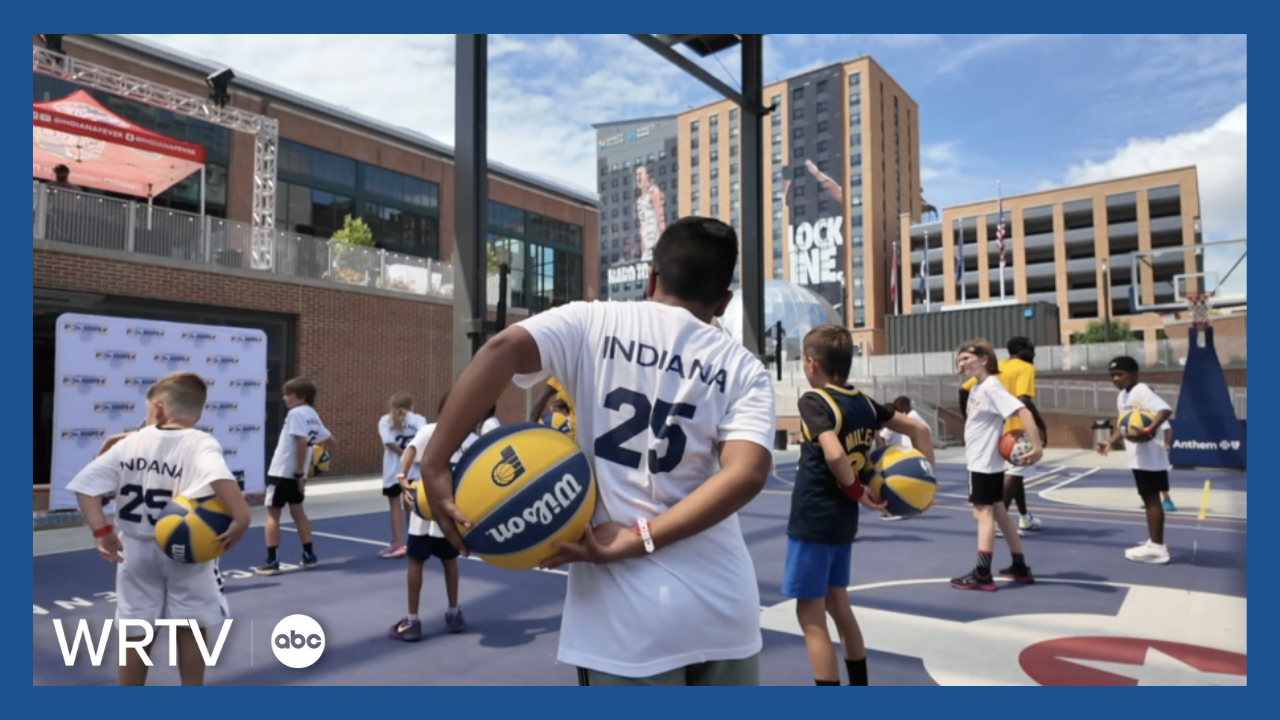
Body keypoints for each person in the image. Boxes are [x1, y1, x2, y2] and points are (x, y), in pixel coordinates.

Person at [422, 217, 777, 686]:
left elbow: (502, 349)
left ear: (652, 278)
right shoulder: (743, 367)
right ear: (723, 303)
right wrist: (645, 536)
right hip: (723, 605)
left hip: (624, 621)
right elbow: (747, 474)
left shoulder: (593, 320)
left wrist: (434, 460)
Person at [67, 372, 251, 686]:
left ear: (159, 407)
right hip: (187, 548)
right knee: (192, 625)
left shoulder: (131, 442)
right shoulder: (200, 442)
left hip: (135, 549)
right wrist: (241, 515)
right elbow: (220, 476)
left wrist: (102, 532)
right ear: (199, 411)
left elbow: (86, 487)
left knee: (136, 627)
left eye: (148, 409)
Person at [787, 326, 934, 686]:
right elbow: (921, 432)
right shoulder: (863, 402)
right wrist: (927, 486)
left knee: (810, 616)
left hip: (814, 517)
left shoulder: (815, 400)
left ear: (811, 363)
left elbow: (835, 454)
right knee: (839, 606)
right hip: (842, 523)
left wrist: (854, 490)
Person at [953, 340, 1044, 591]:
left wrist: (1036, 446)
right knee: (1000, 513)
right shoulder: (978, 387)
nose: (962, 363)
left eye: (966, 359)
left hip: (983, 462)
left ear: (984, 360)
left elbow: (1022, 410)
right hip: (984, 460)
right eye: (959, 360)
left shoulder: (992, 387)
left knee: (982, 514)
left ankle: (982, 573)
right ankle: (1019, 566)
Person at [389, 393, 474, 641]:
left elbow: (409, 452)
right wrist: (403, 479)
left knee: (417, 562)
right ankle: (453, 613)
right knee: (449, 562)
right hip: (442, 512)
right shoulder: (471, 439)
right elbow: (410, 452)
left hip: (431, 510)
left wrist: (403, 478)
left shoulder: (432, 431)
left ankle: (413, 621)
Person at [959, 337, 1048, 536]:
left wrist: (969, 418)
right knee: (1012, 476)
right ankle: (1000, 520)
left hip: (994, 431)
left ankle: (1025, 517)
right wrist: (1041, 426)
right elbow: (1024, 401)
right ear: (1022, 349)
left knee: (1017, 477)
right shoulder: (1025, 367)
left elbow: (963, 390)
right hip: (1016, 430)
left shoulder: (997, 369)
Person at [1100, 356, 1173, 565]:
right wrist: (1110, 441)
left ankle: (1158, 548)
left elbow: (1165, 410)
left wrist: (1149, 429)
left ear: (1134, 373)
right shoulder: (1123, 396)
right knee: (1147, 497)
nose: (1115, 379)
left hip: (1151, 455)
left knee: (1152, 500)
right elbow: (1123, 425)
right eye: (1112, 376)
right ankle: (1154, 543)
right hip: (1138, 457)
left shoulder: (1141, 390)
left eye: (1119, 374)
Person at [257, 378, 335, 576]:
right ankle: (309, 556)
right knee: (298, 512)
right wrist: (319, 460)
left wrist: (300, 471)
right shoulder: (312, 414)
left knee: (273, 514)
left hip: (283, 471)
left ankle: (272, 561)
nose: (284, 398)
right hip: (296, 474)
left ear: (301, 397)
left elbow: (301, 441)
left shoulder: (296, 413)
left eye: (288, 394)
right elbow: (329, 440)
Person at [378, 392, 427, 559]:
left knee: (394, 507)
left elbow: (389, 442)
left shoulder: (385, 420)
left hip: (393, 471)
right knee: (411, 507)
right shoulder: (418, 419)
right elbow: (422, 441)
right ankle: (415, 542)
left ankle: (397, 543)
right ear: (411, 404)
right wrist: (409, 455)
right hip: (413, 469)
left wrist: (402, 453)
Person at [877, 396, 932, 523]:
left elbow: (925, 430)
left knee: (898, 484)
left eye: (898, 407)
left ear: (903, 406)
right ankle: (908, 507)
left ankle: (902, 509)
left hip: (905, 454)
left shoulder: (911, 417)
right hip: (905, 452)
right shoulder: (910, 417)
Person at [635, 165, 667, 262]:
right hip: (646, 249)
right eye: (636, 175)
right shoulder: (639, 201)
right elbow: (642, 227)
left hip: (656, 243)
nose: (638, 177)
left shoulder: (654, 191)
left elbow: (660, 217)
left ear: (648, 176)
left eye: (640, 174)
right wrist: (643, 249)